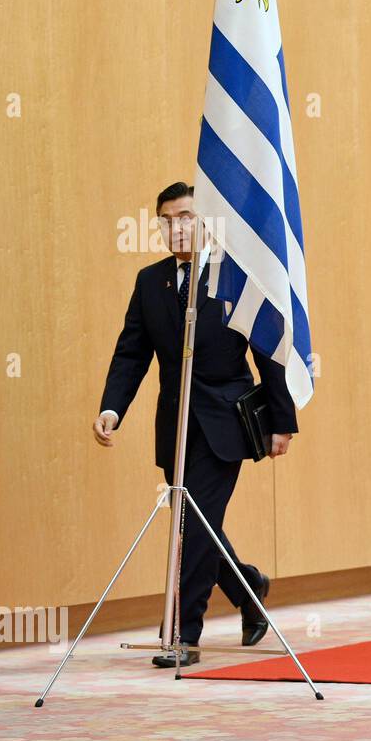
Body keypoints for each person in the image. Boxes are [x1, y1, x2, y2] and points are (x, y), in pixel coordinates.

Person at [94, 182, 297, 667]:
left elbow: (267, 353)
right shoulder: (151, 282)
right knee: (198, 523)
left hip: (227, 423)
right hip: (177, 426)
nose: (176, 227)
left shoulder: (237, 278)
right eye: (166, 220)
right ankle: (250, 591)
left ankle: (182, 634)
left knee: (193, 527)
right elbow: (132, 352)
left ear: (205, 220)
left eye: (185, 216)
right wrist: (112, 408)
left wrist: (282, 421)